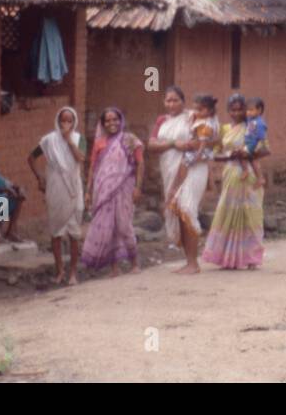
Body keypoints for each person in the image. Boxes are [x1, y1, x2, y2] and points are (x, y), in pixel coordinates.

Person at [201, 94, 268, 270]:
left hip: (250, 176)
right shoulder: (224, 130)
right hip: (231, 174)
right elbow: (215, 152)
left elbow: (265, 149)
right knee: (228, 214)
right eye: (233, 109)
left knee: (251, 215)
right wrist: (229, 155)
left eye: (240, 109)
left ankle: (252, 258)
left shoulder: (252, 126)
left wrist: (247, 153)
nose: (237, 113)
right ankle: (228, 258)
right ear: (228, 110)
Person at [81, 107, 145, 277]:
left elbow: (140, 164)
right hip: (103, 191)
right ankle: (114, 268)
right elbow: (93, 169)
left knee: (124, 225)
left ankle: (134, 263)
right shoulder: (99, 143)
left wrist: (138, 187)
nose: (112, 123)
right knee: (108, 227)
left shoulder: (130, 140)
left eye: (115, 119)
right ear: (102, 124)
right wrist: (88, 192)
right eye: (107, 121)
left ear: (121, 119)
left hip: (125, 188)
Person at [158, 92, 217, 274]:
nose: (171, 103)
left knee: (187, 208)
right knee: (179, 211)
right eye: (168, 100)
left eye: (176, 100)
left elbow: (215, 138)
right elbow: (151, 144)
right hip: (175, 169)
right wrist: (175, 143)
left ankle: (194, 264)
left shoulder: (197, 117)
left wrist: (200, 145)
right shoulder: (164, 120)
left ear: (184, 103)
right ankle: (189, 261)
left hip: (195, 167)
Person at [28, 106, 87, 286]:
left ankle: (73, 273)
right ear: (58, 121)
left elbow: (81, 158)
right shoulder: (48, 141)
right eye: (63, 120)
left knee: (74, 232)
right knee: (56, 231)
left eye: (70, 121)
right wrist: (40, 177)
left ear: (74, 122)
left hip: (74, 189)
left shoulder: (79, 139)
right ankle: (60, 270)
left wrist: (69, 141)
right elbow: (31, 157)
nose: (66, 124)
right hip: (55, 187)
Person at [244, 97, 269, 190]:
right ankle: (254, 175)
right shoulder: (250, 120)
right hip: (249, 143)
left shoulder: (259, 123)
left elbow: (261, 136)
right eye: (247, 110)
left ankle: (258, 177)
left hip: (253, 144)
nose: (248, 112)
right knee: (251, 159)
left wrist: (257, 146)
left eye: (251, 110)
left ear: (259, 110)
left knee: (247, 157)